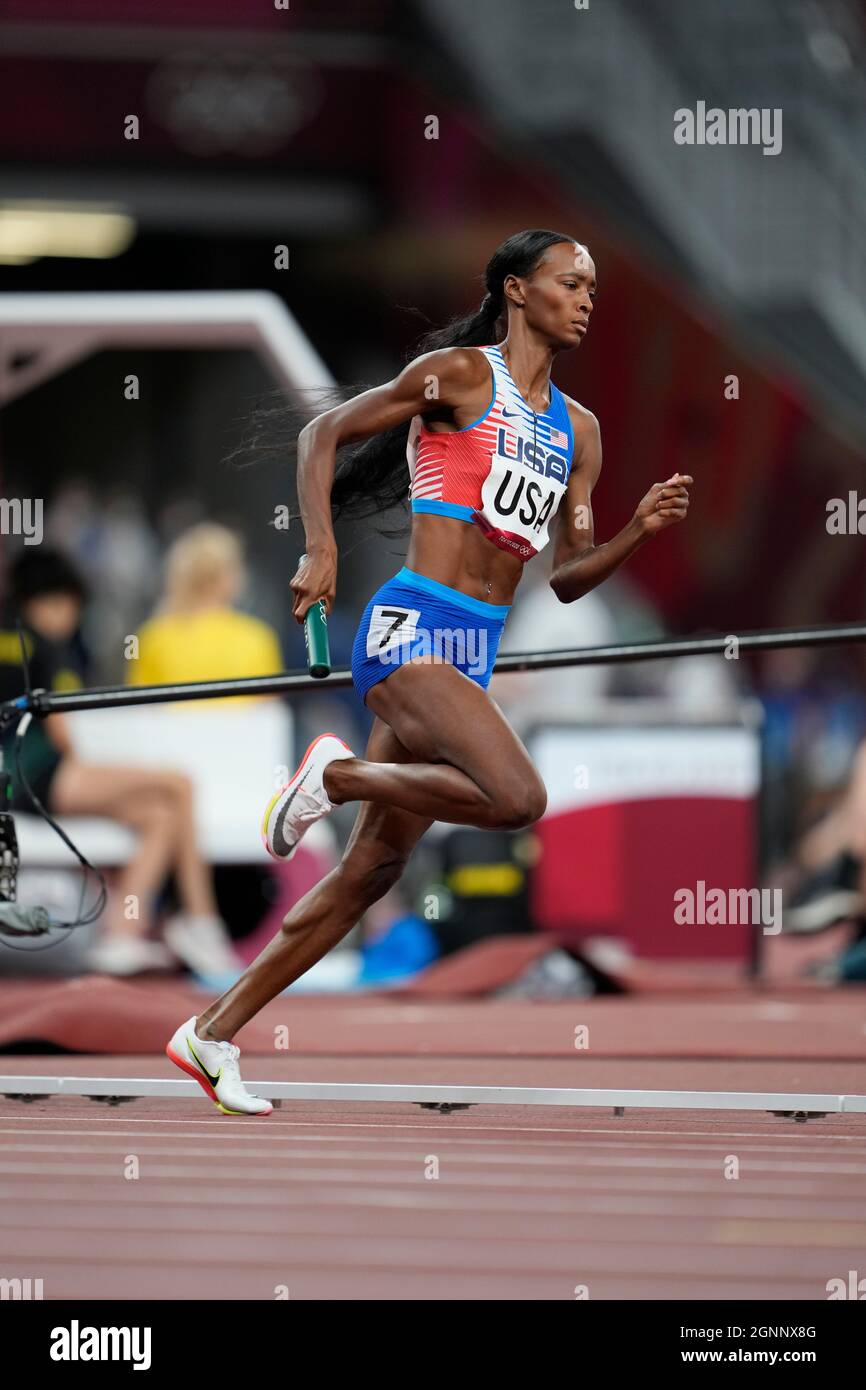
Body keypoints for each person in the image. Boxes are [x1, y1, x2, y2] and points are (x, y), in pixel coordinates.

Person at [166, 229, 692, 1115]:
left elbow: (567, 578)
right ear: (517, 290)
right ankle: (336, 776)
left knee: (370, 872)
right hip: (411, 631)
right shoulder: (459, 377)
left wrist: (636, 531)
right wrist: (322, 548)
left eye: (593, 289)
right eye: (570, 283)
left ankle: (210, 1032)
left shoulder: (582, 433)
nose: (586, 299)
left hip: (469, 656)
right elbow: (323, 433)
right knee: (518, 798)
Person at [0, 548, 234, 976]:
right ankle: (201, 921)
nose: (72, 618)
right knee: (179, 783)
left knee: (161, 816)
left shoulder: (11, 637)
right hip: (38, 775)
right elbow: (59, 731)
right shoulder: (42, 645)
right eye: (70, 606)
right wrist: (88, 771)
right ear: (50, 599)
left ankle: (122, 933)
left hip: (19, 779)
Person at [128, 522, 282, 700]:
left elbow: (138, 706)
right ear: (229, 578)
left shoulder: (152, 638)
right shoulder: (257, 638)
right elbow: (270, 709)